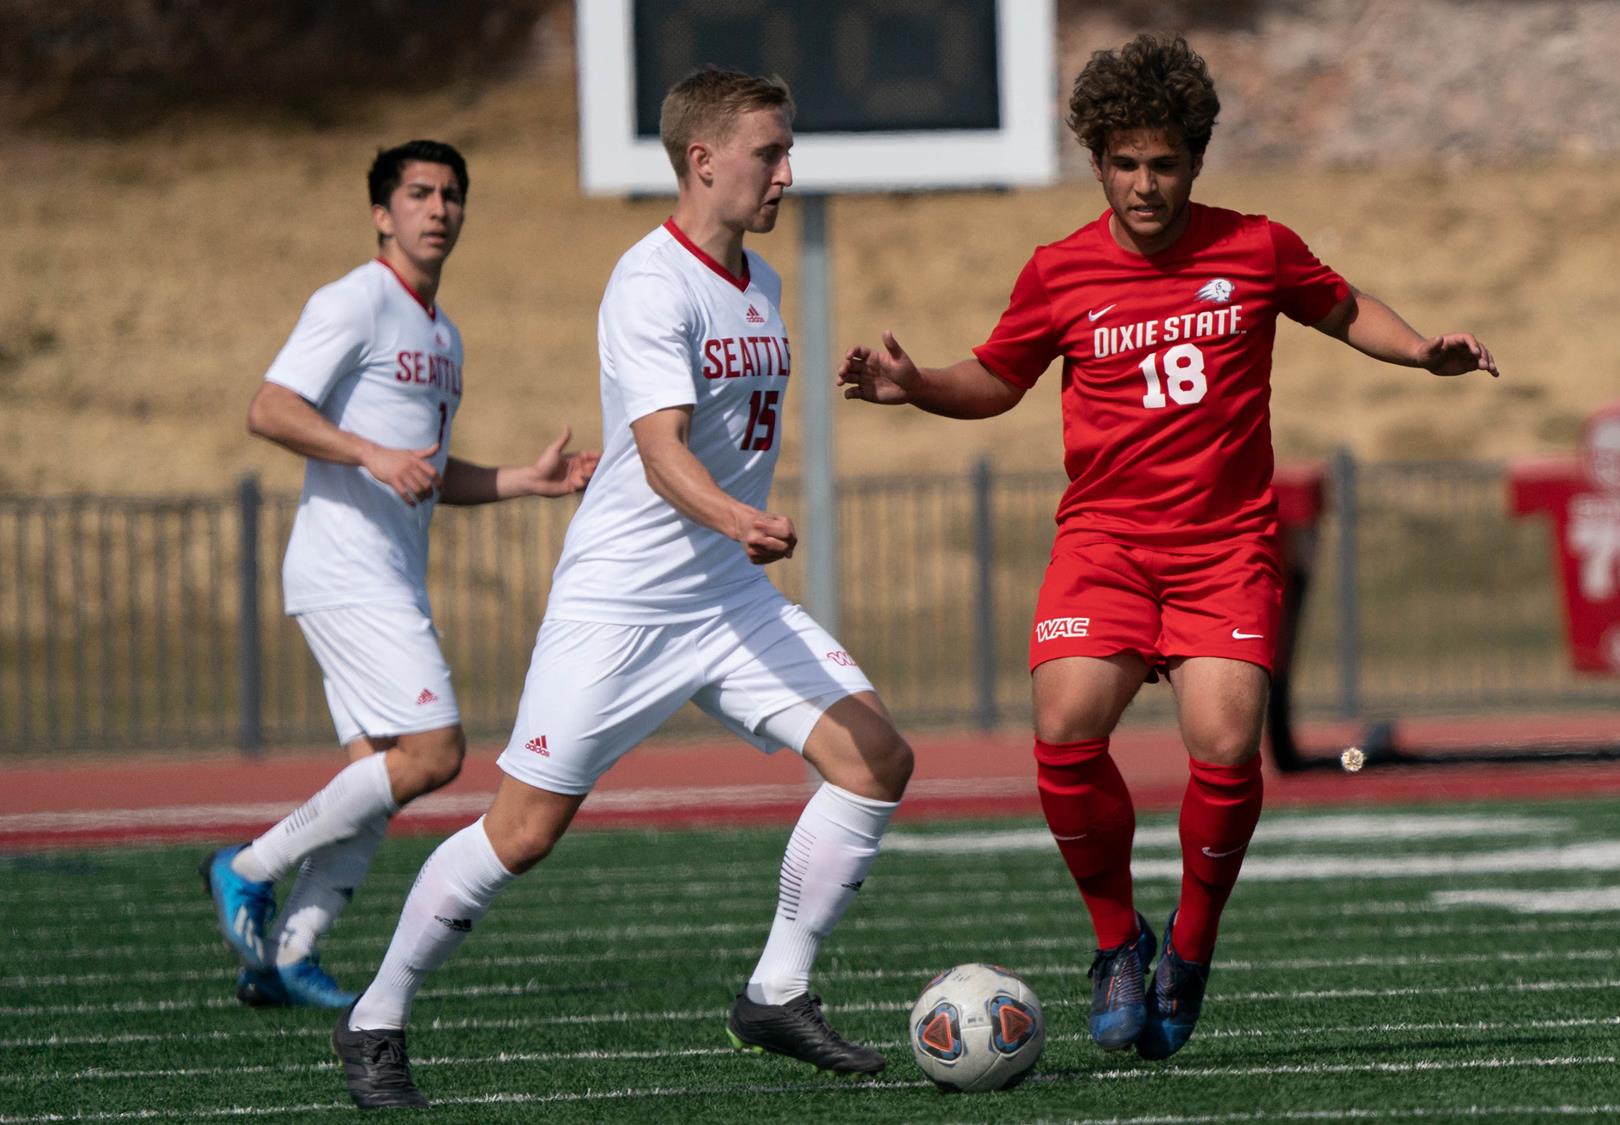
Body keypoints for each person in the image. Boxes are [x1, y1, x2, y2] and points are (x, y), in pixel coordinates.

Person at [840, 34, 1497, 1060]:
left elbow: (1340, 306)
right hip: (1105, 543)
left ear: (1195, 159)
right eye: (1123, 163)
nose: (1144, 185)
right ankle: (1115, 942)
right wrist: (915, 384)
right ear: (1095, 161)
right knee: (1062, 725)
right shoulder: (1058, 271)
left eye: (1164, 163)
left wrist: (1421, 352)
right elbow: (997, 379)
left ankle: (1188, 948)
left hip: (1224, 545)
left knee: (1227, 740)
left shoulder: (1256, 248)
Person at [331, 69, 915, 1109]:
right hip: (623, 608)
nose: (788, 170)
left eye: (787, 150)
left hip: (726, 603)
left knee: (876, 758)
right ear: (702, 160)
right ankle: (375, 1018)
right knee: (521, 834)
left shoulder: (762, 283)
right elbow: (657, 452)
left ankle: (774, 992)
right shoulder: (650, 282)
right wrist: (737, 518)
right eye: (769, 152)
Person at [204, 139, 599, 1010]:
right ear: (382, 213)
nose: (439, 209)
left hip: (384, 572)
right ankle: (246, 868)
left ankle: (284, 953)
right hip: (347, 568)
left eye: (452, 195)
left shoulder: (442, 332)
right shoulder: (355, 300)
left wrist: (524, 483)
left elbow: (428, 468)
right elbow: (270, 407)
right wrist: (368, 453)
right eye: (419, 193)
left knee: (378, 774)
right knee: (437, 752)